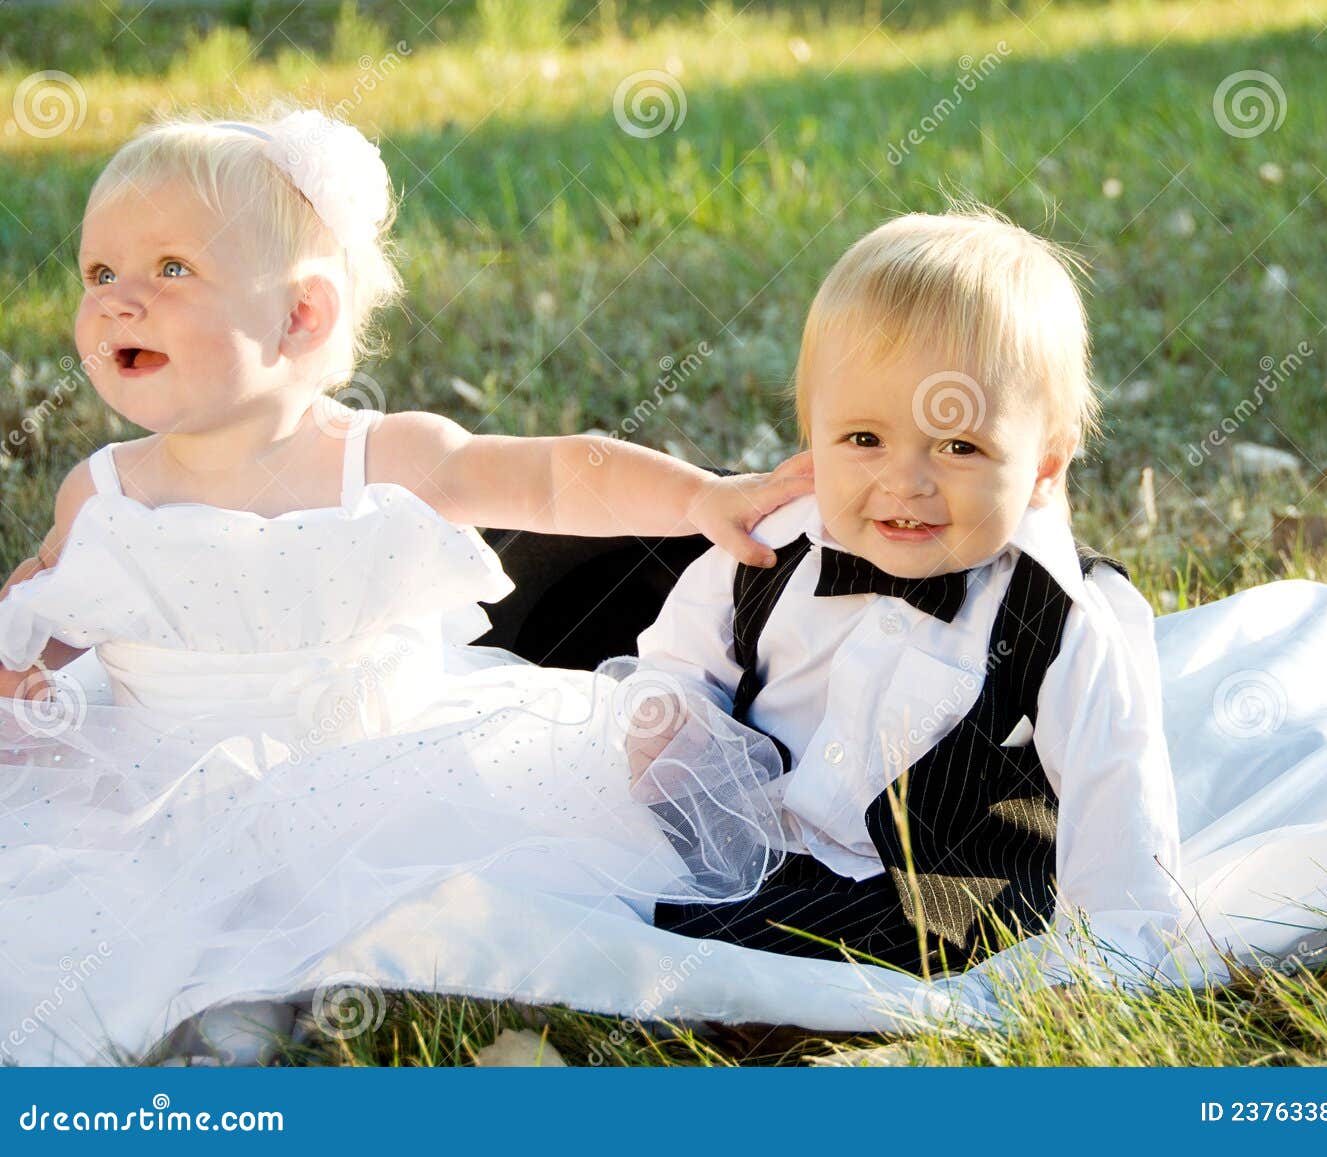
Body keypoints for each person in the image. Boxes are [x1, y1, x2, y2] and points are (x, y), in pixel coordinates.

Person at [0, 104, 812, 1065]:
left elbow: (554, 475)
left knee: (438, 908)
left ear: (301, 314)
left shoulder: (381, 457)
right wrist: (26, 668)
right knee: (114, 914)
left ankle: (284, 989)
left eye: (172, 269)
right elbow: (58, 615)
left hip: (373, 774)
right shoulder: (102, 491)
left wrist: (699, 497)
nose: (119, 301)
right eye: (99, 274)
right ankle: (224, 1003)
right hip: (162, 786)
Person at [628, 208, 1190, 983]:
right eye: (864, 439)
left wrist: (1120, 949)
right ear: (812, 432)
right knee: (637, 904)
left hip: (947, 894)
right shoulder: (769, 550)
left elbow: (1116, 790)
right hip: (765, 841)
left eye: (959, 446)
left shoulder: (1059, 617)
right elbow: (683, 656)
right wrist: (675, 723)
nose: (905, 481)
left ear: (1044, 464)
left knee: (895, 968)